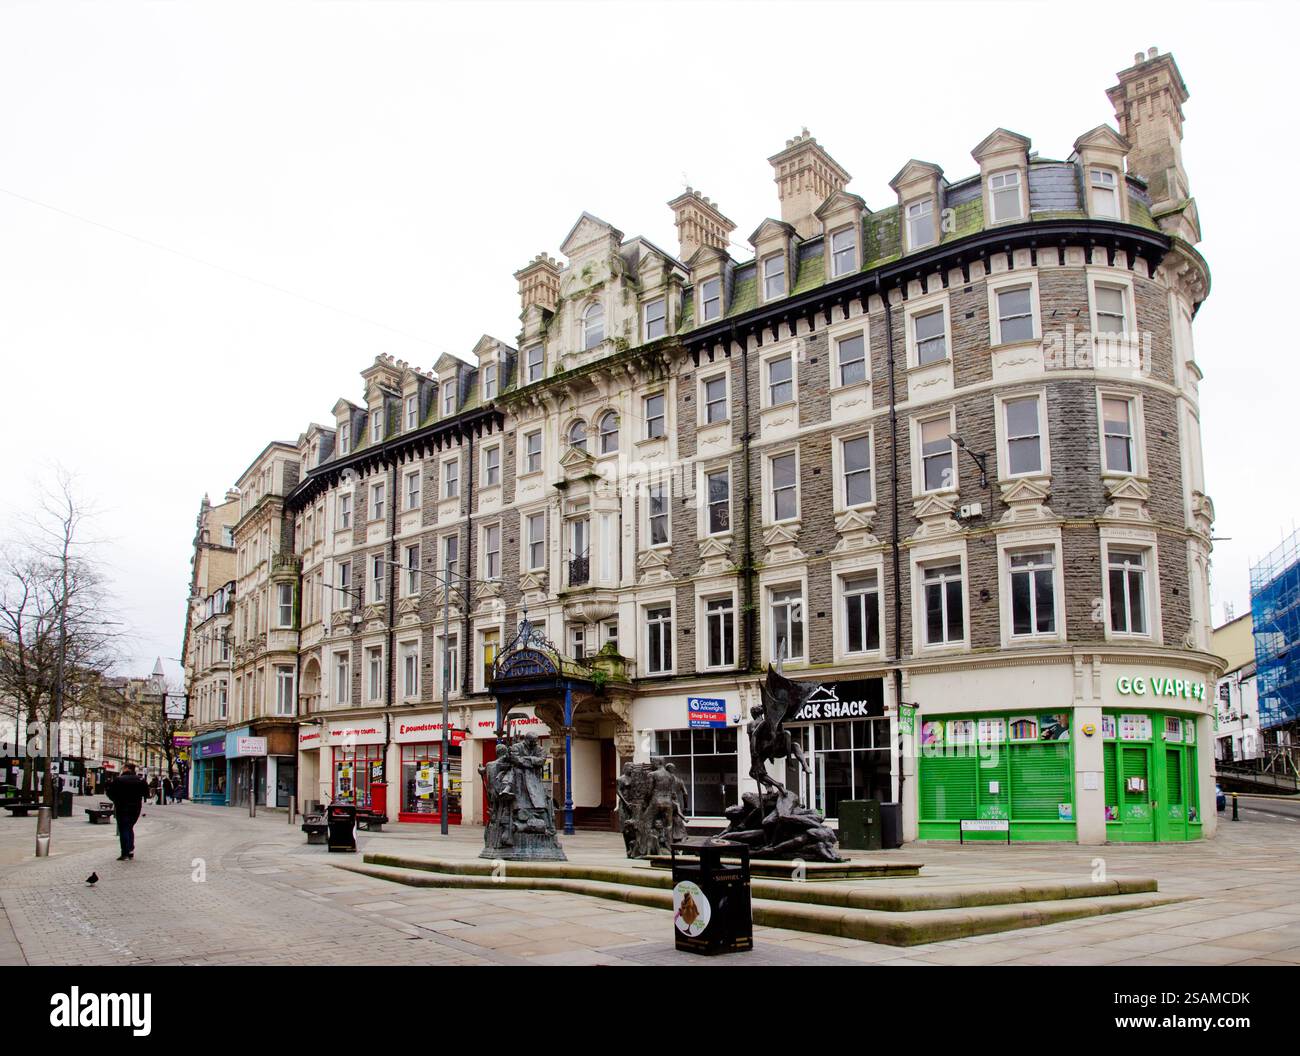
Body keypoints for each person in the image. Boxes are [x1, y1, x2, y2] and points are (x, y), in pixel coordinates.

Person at [105, 763, 149, 861]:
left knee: (124, 828)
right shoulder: (141, 780)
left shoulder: (118, 780)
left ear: (126, 769)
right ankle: (130, 850)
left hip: (122, 806)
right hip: (136, 807)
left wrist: (116, 800)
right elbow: (147, 794)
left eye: (123, 768)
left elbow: (110, 793)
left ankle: (125, 852)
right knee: (129, 827)